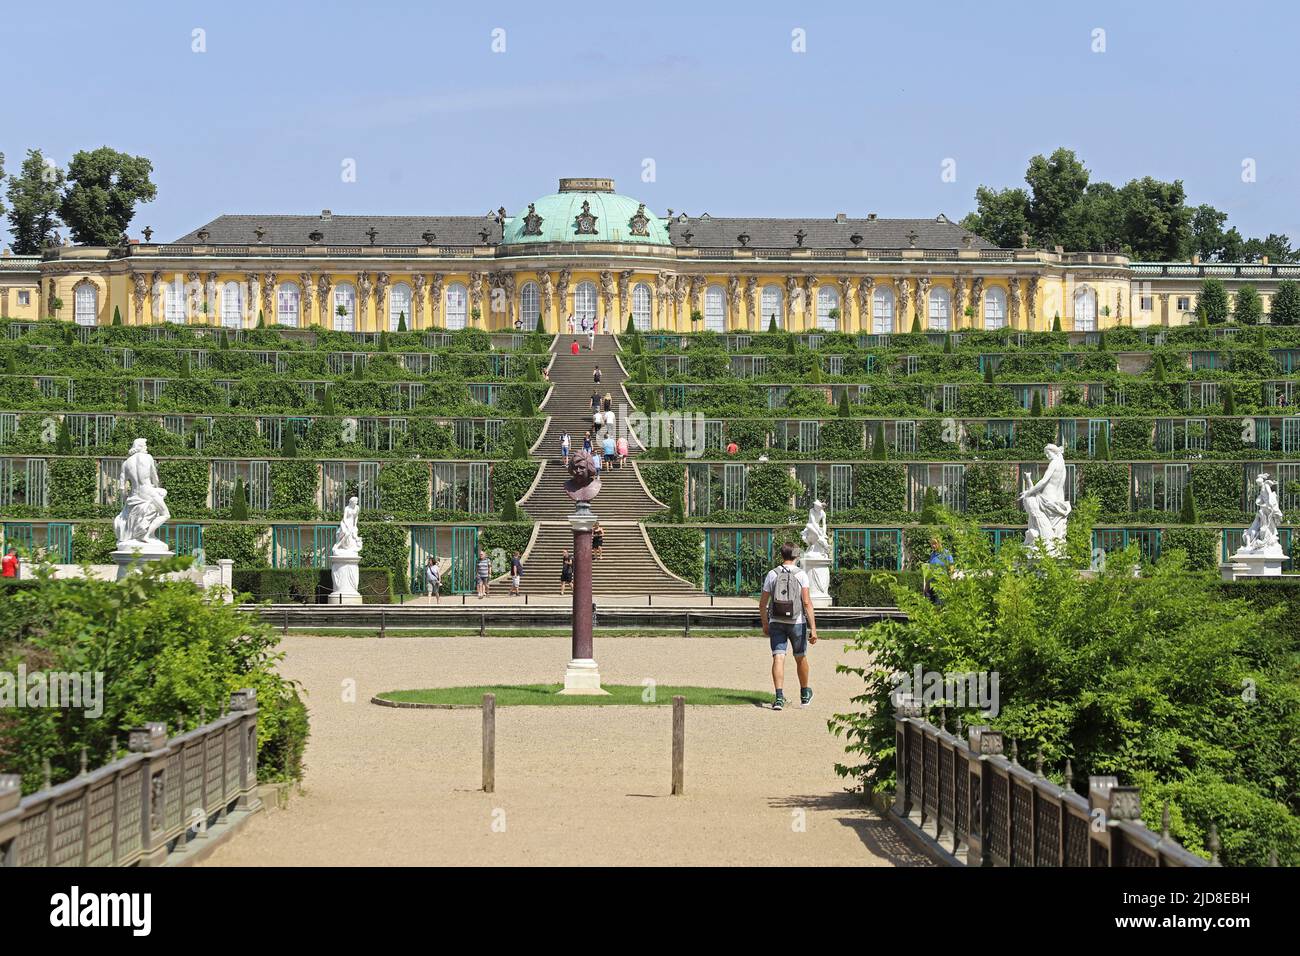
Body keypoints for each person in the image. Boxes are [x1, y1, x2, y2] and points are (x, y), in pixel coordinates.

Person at [758, 543, 819, 710]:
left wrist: (765, 623)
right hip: (797, 622)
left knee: (778, 657)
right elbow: (806, 602)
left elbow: (762, 603)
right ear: (796, 556)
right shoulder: (801, 575)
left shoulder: (772, 574)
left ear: (781, 555)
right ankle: (805, 694)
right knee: (800, 657)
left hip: (776, 621)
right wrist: (813, 628)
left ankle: (778, 698)